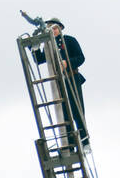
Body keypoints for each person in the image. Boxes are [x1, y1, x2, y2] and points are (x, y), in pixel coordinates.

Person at [36, 18, 88, 147]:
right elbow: (39, 60)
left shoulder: (69, 40)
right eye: (49, 28)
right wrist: (35, 47)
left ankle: (85, 141)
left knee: (77, 110)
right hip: (58, 82)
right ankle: (70, 144)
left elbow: (81, 58)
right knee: (64, 114)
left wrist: (67, 63)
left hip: (72, 78)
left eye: (54, 28)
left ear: (60, 29)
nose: (52, 30)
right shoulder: (48, 45)